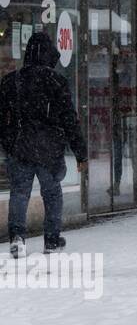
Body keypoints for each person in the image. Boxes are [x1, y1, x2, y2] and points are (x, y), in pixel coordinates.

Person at [0, 31, 88, 257]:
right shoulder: (56, 81)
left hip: (20, 148)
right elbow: (69, 118)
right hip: (49, 151)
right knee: (52, 194)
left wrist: (9, 143)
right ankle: (51, 239)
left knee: (19, 193)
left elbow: (3, 118)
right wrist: (80, 153)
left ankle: (18, 237)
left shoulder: (11, 81)